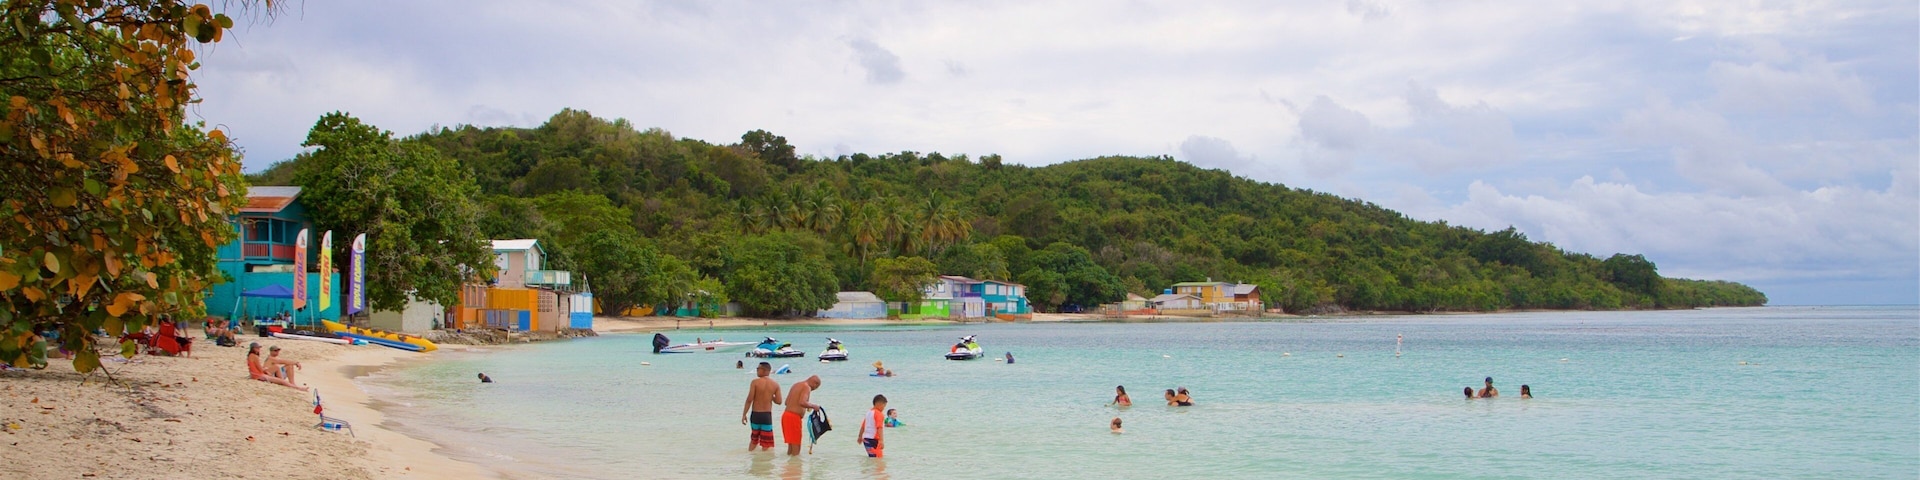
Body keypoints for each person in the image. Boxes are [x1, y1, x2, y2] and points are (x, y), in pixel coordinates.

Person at [741, 362, 783, 451]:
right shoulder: (775, 384)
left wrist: (744, 414)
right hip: (766, 416)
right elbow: (779, 401)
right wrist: (771, 396)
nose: (756, 371)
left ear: (764, 370)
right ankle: (764, 463)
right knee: (766, 442)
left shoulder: (755, 382)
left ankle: (751, 457)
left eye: (758, 369)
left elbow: (749, 399)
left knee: (754, 439)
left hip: (755, 414)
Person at [782, 375, 823, 456]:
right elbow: (802, 402)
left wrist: (805, 407)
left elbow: (786, 402)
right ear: (815, 384)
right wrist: (813, 406)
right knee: (796, 447)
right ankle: (795, 467)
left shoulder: (796, 385)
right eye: (816, 387)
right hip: (794, 418)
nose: (814, 389)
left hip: (786, 416)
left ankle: (789, 466)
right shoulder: (806, 387)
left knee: (791, 446)